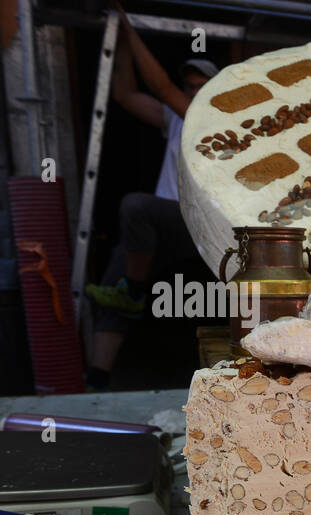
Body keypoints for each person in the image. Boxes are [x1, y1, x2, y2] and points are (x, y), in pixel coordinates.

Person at [83, 3, 216, 390]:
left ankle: (135, 290)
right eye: (188, 86)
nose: (192, 92)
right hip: (162, 227)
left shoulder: (212, 119)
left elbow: (160, 86)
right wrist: (119, 41)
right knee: (117, 267)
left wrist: (127, 27)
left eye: (199, 86)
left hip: (195, 225)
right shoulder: (175, 118)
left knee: (135, 206)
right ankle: (97, 377)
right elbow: (124, 93)